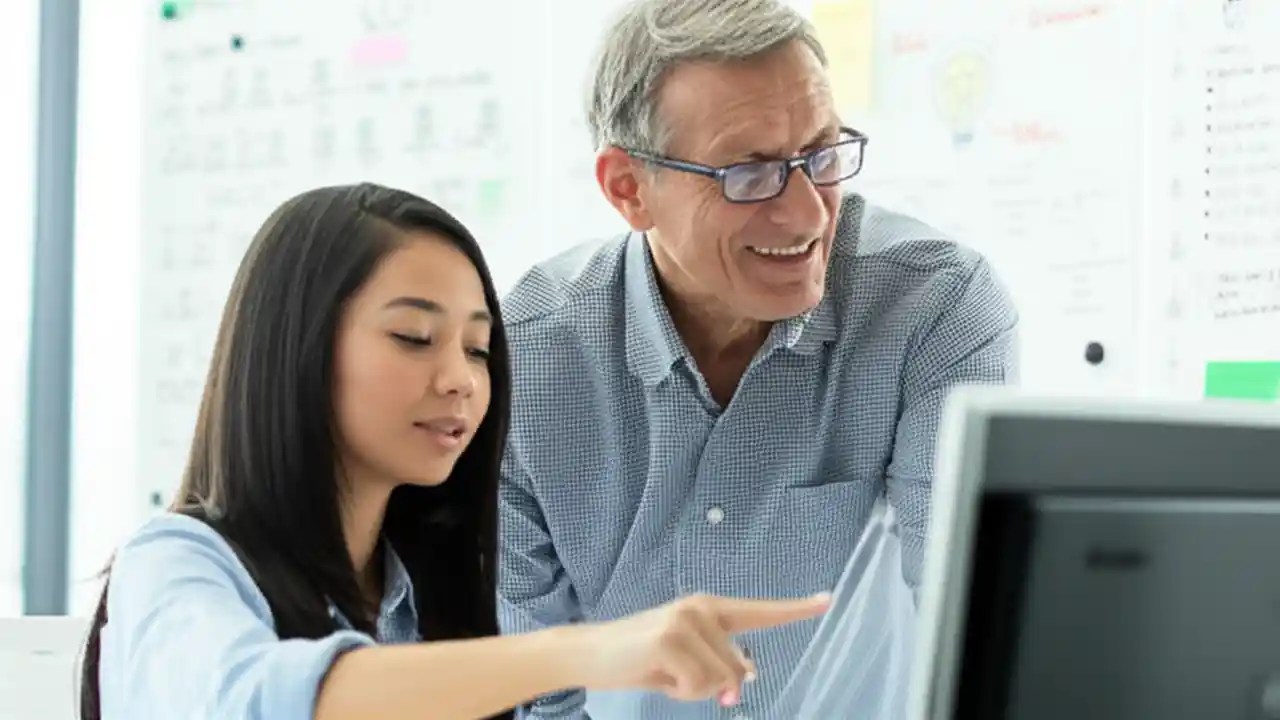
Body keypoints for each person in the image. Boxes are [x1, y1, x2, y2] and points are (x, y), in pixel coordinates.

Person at [78, 184, 831, 720]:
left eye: (477, 349)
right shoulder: (176, 563)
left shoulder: (428, 595)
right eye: (414, 337)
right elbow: (252, 701)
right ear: (295, 352)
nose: (461, 382)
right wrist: (587, 652)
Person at [497, 0, 1019, 717]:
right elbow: (536, 693)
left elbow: (970, 634)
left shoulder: (936, 310)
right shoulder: (518, 364)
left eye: (823, 155)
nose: (808, 215)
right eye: (749, 174)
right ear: (628, 188)